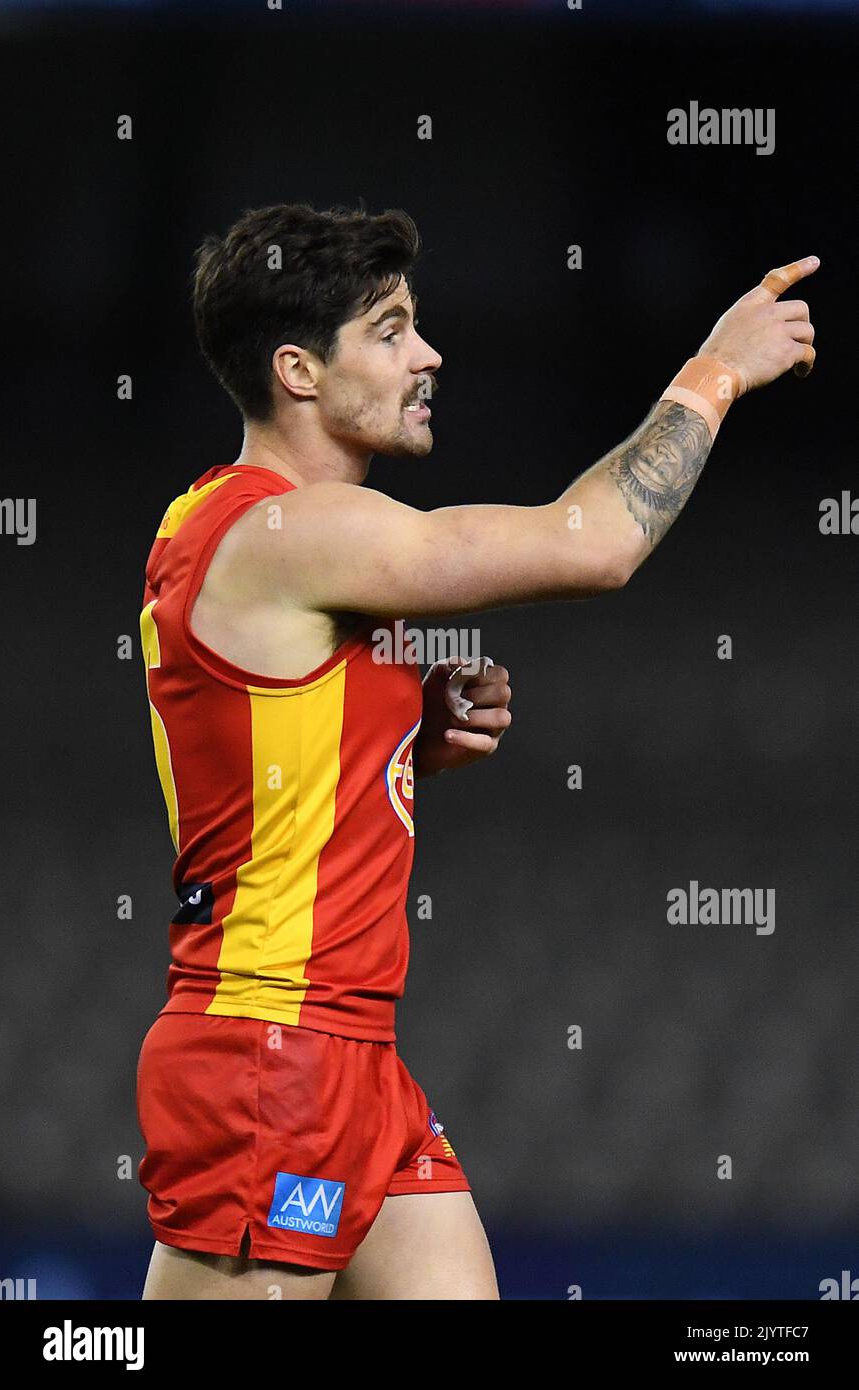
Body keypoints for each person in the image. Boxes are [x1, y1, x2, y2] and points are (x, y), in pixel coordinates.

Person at [137, 202, 817, 1300]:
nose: (428, 354)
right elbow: (589, 542)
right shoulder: (290, 532)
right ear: (299, 372)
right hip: (269, 1046)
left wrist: (394, 728)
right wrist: (713, 372)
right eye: (392, 329)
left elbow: (243, 750)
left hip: (354, 1056)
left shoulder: (215, 526)